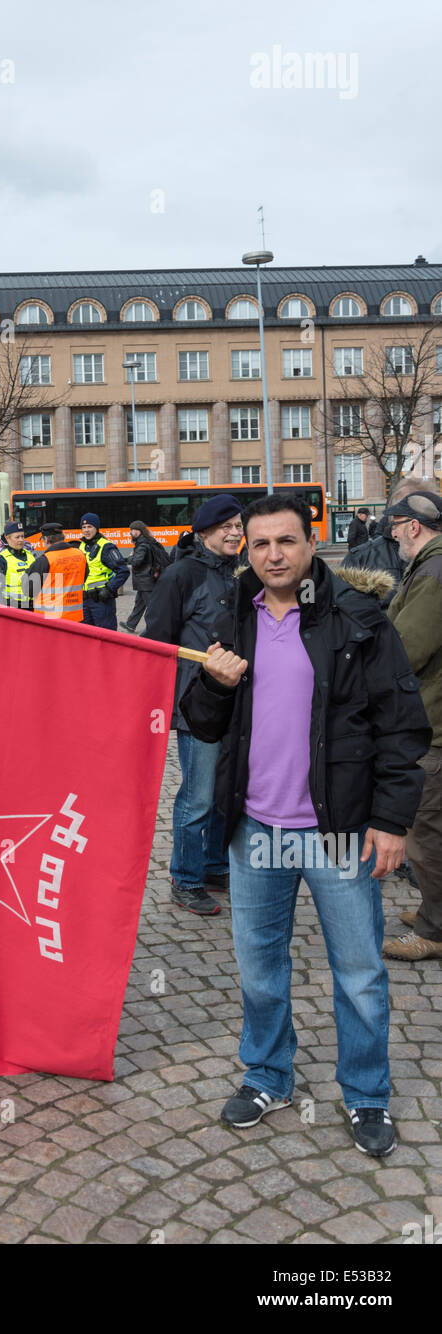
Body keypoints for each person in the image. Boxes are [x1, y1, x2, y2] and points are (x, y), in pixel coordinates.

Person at [181, 493, 430, 1157]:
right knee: (261, 968)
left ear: (310, 541)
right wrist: (215, 684)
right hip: (254, 830)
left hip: (340, 831)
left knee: (358, 973)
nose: (272, 555)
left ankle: (367, 1094)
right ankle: (267, 1075)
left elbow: (401, 726)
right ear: (246, 548)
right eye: (258, 544)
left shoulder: (358, 618)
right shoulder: (232, 614)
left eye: (285, 541)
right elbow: (201, 721)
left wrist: (390, 820)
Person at [143, 495, 243, 914]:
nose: (235, 531)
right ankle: (185, 879)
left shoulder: (242, 574)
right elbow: (157, 641)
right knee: (198, 797)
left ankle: (216, 867)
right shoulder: (181, 574)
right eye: (227, 526)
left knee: (226, 792)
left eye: (239, 525)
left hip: (236, 700)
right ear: (204, 532)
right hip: (196, 706)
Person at [383, 490, 442, 961]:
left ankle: (434, 930)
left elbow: (408, 649)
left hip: (433, 721)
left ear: (413, 526)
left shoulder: (433, 572)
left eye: (395, 526)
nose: (393, 535)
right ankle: (433, 908)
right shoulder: (429, 568)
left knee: (426, 832)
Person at [27, 522, 88, 621]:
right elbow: (83, 578)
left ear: (46, 539)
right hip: (75, 617)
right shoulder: (80, 555)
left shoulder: (45, 560)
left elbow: (29, 590)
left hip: (49, 619)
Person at [79, 513, 129, 630]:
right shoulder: (82, 546)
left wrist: (109, 589)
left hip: (101, 601)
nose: (86, 530)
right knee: (86, 636)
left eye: (90, 527)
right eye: (84, 527)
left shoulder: (106, 547)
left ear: (96, 528)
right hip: (85, 601)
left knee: (105, 636)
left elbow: (124, 571)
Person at [121, 520, 169, 633]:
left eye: (131, 530)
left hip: (145, 580)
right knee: (139, 604)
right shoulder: (147, 542)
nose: (130, 533)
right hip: (146, 580)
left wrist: (131, 557)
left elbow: (137, 561)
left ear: (138, 531)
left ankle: (157, 629)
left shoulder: (142, 545)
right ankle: (131, 624)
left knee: (152, 607)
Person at [0, 521, 36, 608]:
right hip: (12, 608)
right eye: (17, 537)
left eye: (22, 536)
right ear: (7, 538)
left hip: (32, 607)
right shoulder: (0, 560)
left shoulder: (30, 556)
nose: (21, 540)